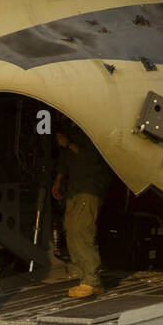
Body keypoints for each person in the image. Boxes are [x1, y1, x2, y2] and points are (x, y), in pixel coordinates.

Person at [51, 125, 113, 298]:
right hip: (74, 188)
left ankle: (92, 280)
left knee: (82, 230)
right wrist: (58, 181)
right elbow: (65, 159)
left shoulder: (93, 129)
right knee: (71, 231)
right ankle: (84, 278)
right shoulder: (72, 130)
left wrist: (69, 143)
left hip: (89, 188)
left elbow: (94, 159)